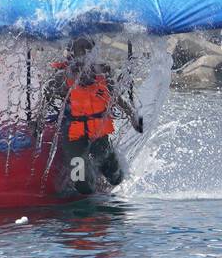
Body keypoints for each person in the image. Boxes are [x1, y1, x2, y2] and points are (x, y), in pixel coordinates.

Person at [40, 37, 144, 195]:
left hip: (99, 134)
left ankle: (98, 174)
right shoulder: (62, 79)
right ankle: (83, 179)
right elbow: (45, 98)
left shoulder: (104, 77)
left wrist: (133, 116)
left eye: (88, 53)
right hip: (73, 136)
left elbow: (117, 98)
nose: (84, 62)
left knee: (116, 177)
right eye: (80, 53)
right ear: (72, 56)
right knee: (82, 186)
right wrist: (38, 121)